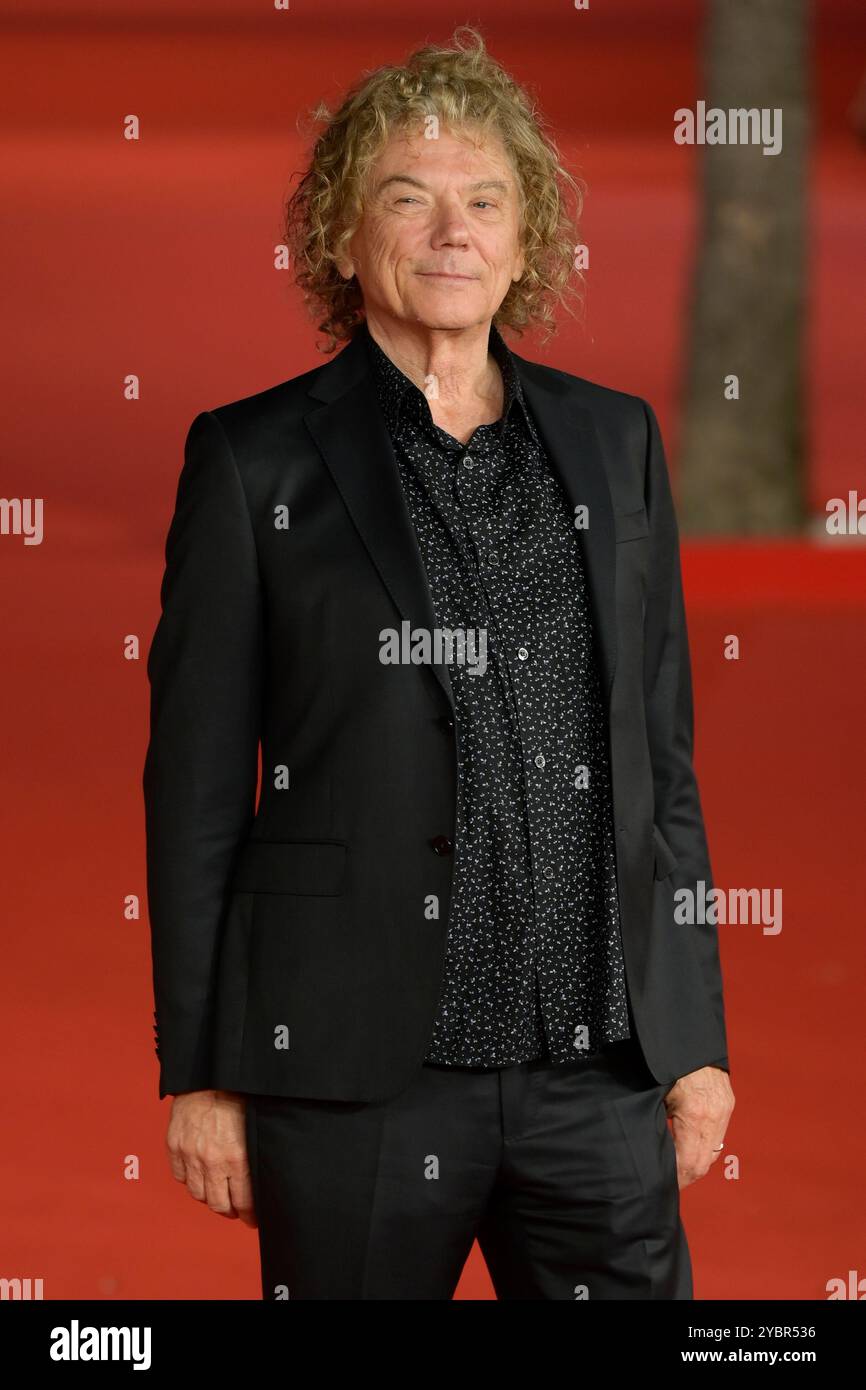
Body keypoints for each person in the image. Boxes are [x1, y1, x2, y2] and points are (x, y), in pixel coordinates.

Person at [143, 26, 734, 1301]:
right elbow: (192, 791)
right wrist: (197, 1069)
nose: (449, 231)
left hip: (598, 1072)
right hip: (355, 1078)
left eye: (484, 201)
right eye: (406, 199)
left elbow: (660, 765)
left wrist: (691, 1042)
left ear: (525, 242)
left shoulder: (613, 442)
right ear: (342, 240)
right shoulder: (251, 465)